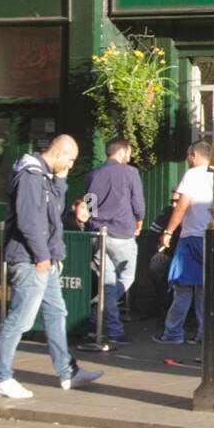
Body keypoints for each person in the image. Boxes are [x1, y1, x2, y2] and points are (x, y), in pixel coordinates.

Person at [0, 135, 102, 399]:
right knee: (20, 319)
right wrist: (42, 256)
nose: (71, 166)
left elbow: (54, 213)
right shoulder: (30, 175)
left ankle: (68, 372)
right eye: (71, 160)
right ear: (60, 153)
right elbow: (29, 220)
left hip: (44, 259)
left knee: (56, 313)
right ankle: (0, 377)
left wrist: (61, 181)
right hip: (31, 259)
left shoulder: (45, 176)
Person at [84, 137, 146, 345]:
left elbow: (90, 201)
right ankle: (105, 319)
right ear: (122, 152)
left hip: (98, 232)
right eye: (129, 152)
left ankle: (97, 320)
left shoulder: (94, 174)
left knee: (108, 283)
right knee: (126, 278)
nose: (130, 156)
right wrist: (139, 220)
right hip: (122, 232)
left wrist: (95, 220)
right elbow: (138, 202)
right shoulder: (130, 173)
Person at [153, 141, 214, 346]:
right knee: (203, 290)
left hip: (191, 237)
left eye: (188, 155)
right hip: (212, 237)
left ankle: (172, 333)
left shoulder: (193, 175)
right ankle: (204, 334)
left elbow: (182, 206)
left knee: (183, 287)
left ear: (194, 155)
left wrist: (168, 231)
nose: (187, 159)